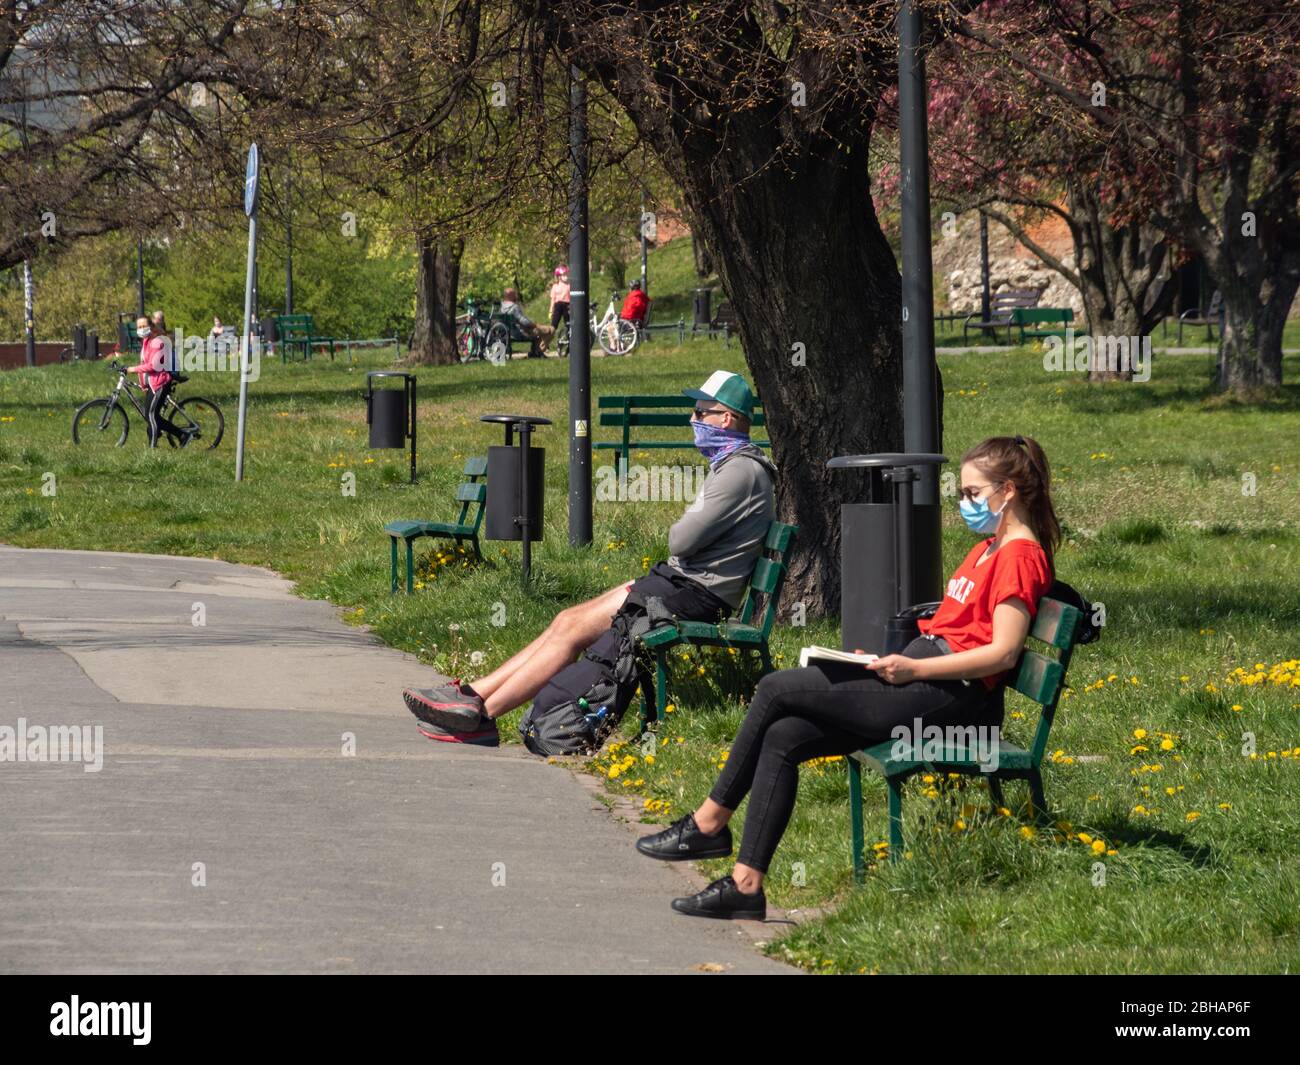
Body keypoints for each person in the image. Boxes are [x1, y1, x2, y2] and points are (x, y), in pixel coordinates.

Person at [635, 435, 1059, 920]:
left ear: (1008, 491)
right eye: (961, 494)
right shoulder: (988, 550)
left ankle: (708, 823)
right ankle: (745, 885)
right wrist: (875, 662)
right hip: (926, 682)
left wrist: (914, 668)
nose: (964, 504)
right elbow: (952, 628)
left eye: (972, 494)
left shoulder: (1020, 557)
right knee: (785, 734)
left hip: (951, 699)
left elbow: (1001, 654)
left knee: (776, 688)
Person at [403, 370, 777, 746]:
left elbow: (680, 539)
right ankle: (472, 697)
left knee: (573, 631)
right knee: (566, 621)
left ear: (726, 418)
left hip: (694, 593)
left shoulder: (739, 472)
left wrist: (685, 527)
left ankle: (483, 715)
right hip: (681, 583)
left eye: (700, 413)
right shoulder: (733, 466)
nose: (692, 420)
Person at [125, 315, 177, 448]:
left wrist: (132, 369)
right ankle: (182, 435)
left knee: (151, 415)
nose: (141, 329)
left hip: (160, 382)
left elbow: (153, 366)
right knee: (151, 416)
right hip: (153, 384)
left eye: (144, 326)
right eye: (139, 327)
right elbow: (145, 364)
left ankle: (152, 449)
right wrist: (143, 384)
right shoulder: (146, 342)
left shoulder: (156, 342)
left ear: (151, 327)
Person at [499, 287, 554, 357]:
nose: (516, 296)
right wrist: (535, 325)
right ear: (511, 296)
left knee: (541, 331)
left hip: (508, 332)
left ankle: (536, 351)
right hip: (521, 333)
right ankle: (538, 351)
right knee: (551, 330)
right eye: (515, 294)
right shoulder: (514, 307)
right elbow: (524, 322)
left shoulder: (501, 307)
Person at [548, 266, 571, 334]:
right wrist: (550, 311)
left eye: (567, 275)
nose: (566, 276)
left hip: (567, 306)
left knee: (568, 323)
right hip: (558, 306)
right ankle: (548, 337)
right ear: (559, 277)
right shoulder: (555, 286)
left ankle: (569, 337)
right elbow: (553, 299)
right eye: (564, 275)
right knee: (554, 324)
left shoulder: (569, 286)